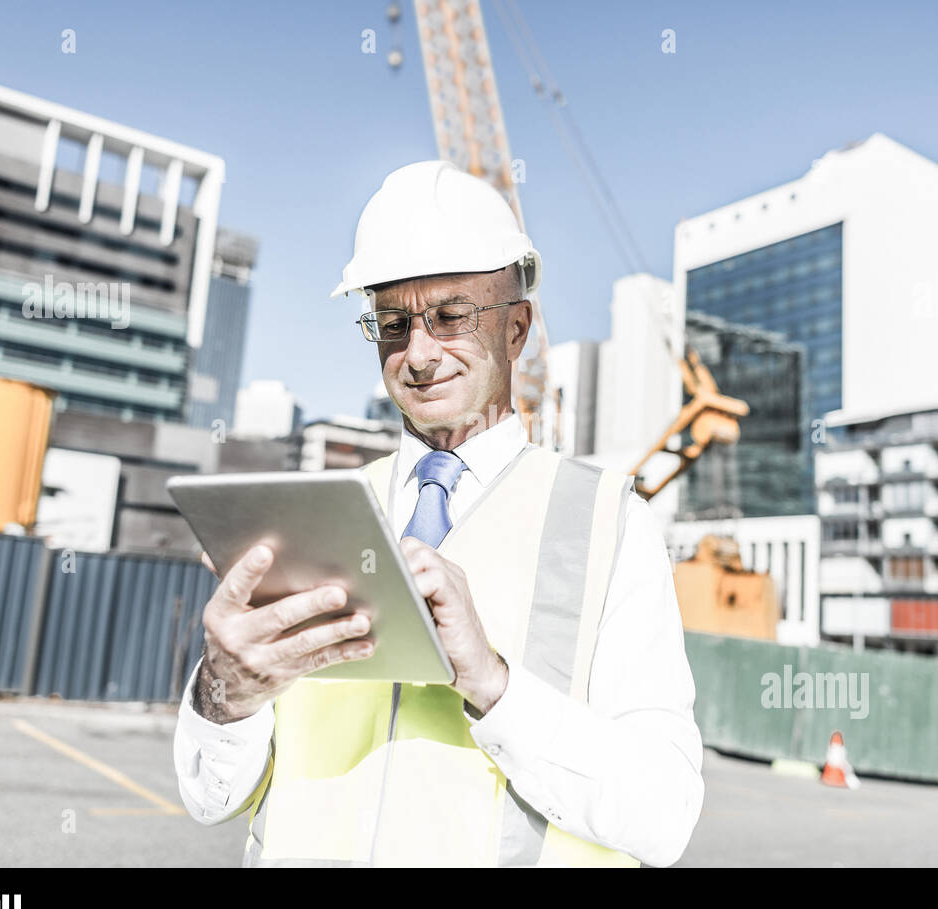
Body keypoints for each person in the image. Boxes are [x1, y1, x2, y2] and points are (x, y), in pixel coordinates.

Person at [172, 159, 703, 867]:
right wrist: (224, 692)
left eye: (450, 316)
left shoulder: (611, 524)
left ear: (517, 330)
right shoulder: (315, 515)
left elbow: (663, 815)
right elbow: (209, 798)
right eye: (393, 324)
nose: (418, 355)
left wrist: (493, 682)